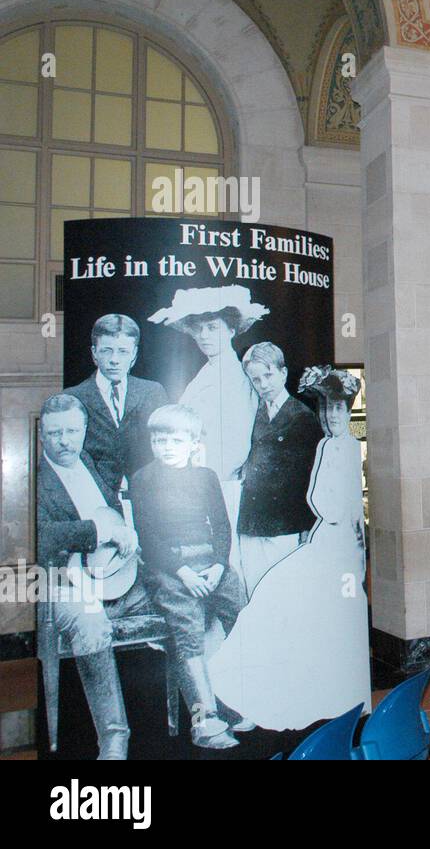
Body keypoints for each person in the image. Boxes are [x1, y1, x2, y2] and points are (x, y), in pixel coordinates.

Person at [208, 366, 369, 731]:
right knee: (273, 604)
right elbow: (318, 500)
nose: (332, 417)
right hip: (323, 539)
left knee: (286, 605)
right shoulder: (328, 445)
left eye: (339, 410)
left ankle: (313, 699)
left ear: (348, 412)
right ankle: (262, 698)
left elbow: (335, 507)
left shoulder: (347, 448)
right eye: (327, 410)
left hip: (338, 548)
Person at [131, 404, 249, 750]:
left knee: (242, 613)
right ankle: (206, 719)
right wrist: (183, 573)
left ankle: (239, 699)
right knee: (186, 627)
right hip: (168, 568)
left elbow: (223, 528)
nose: (166, 446)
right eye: (159, 439)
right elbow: (147, 537)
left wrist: (217, 567)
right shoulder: (143, 479)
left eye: (176, 439)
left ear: (193, 442)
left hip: (209, 562)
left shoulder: (205, 477)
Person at [35, 394, 146, 759]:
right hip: (58, 584)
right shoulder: (33, 474)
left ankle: (206, 710)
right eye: (55, 433)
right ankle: (115, 738)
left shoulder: (84, 459)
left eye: (72, 431)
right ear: (41, 434)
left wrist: (123, 530)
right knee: (91, 622)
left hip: (109, 574)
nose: (64, 441)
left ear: (83, 430)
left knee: (178, 590)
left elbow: (110, 505)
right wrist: (101, 532)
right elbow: (42, 535)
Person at [147, 286, 265, 530]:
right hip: (198, 483)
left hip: (218, 485)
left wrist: (200, 478)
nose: (204, 335)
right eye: (198, 328)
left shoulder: (236, 378)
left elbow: (238, 444)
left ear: (231, 330)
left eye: (212, 328)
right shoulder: (207, 372)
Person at [235, 342, 323, 597]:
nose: (263, 384)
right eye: (256, 379)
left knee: (282, 592)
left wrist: (308, 525)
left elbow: (311, 476)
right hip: (252, 521)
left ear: (283, 373)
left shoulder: (303, 417)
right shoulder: (252, 413)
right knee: (253, 591)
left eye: (268, 375)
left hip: (285, 525)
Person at [64, 314, 168, 495]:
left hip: (148, 497)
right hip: (93, 499)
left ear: (134, 354)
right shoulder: (73, 398)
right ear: (94, 353)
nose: (114, 359)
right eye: (106, 350)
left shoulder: (153, 392)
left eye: (123, 351)